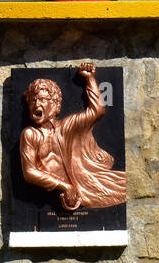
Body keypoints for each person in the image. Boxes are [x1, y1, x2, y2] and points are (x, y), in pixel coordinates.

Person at [20, 62, 126, 210]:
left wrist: (90, 79)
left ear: (55, 104)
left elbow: (97, 110)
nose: (36, 104)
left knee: (122, 188)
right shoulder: (30, 134)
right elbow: (29, 172)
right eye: (33, 100)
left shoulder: (69, 126)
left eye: (43, 99)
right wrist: (64, 186)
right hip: (55, 196)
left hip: (87, 186)